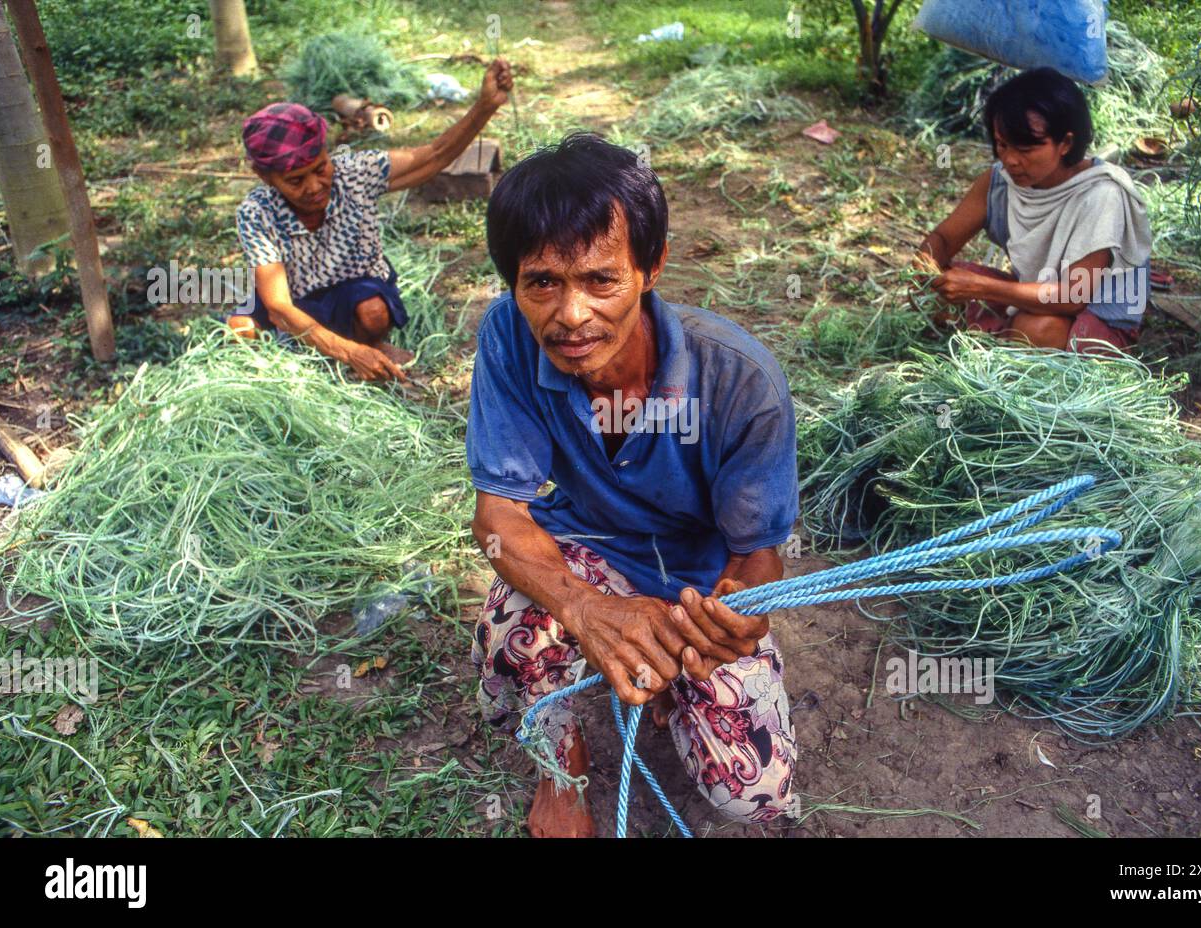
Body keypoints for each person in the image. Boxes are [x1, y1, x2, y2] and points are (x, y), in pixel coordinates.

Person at [466, 133, 799, 837]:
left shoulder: (741, 380)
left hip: (696, 587)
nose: (571, 316)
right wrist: (587, 611)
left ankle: (670, 685)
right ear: (514, 284)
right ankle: (563, 768)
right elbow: (500, 516)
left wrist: (735, 616)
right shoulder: (507, 336)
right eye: (542, 282)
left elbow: (758, 560)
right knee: (512, 624)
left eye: (600, 280)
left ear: (652, 268)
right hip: (589, 549)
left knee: (753, 794)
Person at [227, 59, 514, 382]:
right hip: (294, 302)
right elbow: (278, 306)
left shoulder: (355, 173)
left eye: (320, 169)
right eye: (294, 181)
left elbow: (434, 155)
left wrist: (485, 106)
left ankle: (371, 343)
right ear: (264, 177)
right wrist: (349, 353)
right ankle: (335, 359)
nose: (313, 187)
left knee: (374, 312)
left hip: (353, 291)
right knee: (240, 331)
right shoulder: (256, 212)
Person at [918, 67, 1153, 354]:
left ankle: (1004, 348)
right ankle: (1002, 346)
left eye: (1026, 149)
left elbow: (1073, 297)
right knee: (938, 291)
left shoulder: (1102, 195)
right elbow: (943, 237)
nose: (1011, 160)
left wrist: (981, 287)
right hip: (1035, 295)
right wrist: (927, 263)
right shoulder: (999, 182)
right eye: (1003, 145)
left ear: (1065, 143)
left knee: (1038, 330)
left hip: (1093, 314)